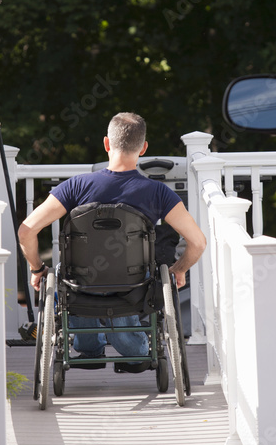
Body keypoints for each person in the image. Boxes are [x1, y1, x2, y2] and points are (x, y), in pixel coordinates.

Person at [18, 112, 206, 372]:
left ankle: (90, 348)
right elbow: (198, 242)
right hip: (134, 284)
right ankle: (136, 352)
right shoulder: (158, 193)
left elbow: (26, 231)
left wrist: (38, 269)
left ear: (106, 144)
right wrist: (179, 269)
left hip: (81, 283)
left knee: (69, 275)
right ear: (143, 148)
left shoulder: (74, 187)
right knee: (128, 280)